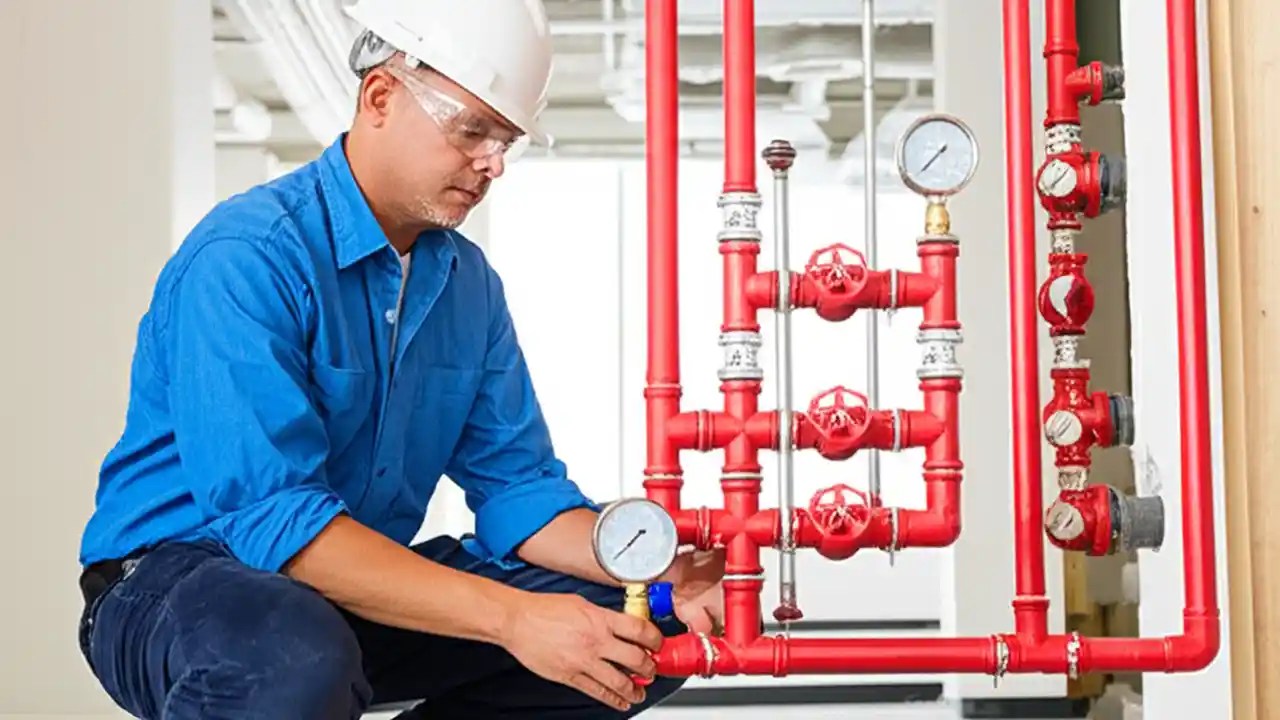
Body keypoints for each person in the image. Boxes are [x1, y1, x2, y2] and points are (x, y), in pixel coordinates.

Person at [74, 0, 725, 717]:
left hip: (341, 593)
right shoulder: (248, 257)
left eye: (506, 139)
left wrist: (654, 568)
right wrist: (511, 618)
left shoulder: (466, 286)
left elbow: (519, 495)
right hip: (180, 585)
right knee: (295, 656)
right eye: (472, 130)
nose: (493, 164)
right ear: (380, 96)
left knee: (635, 633)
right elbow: (277, 525)